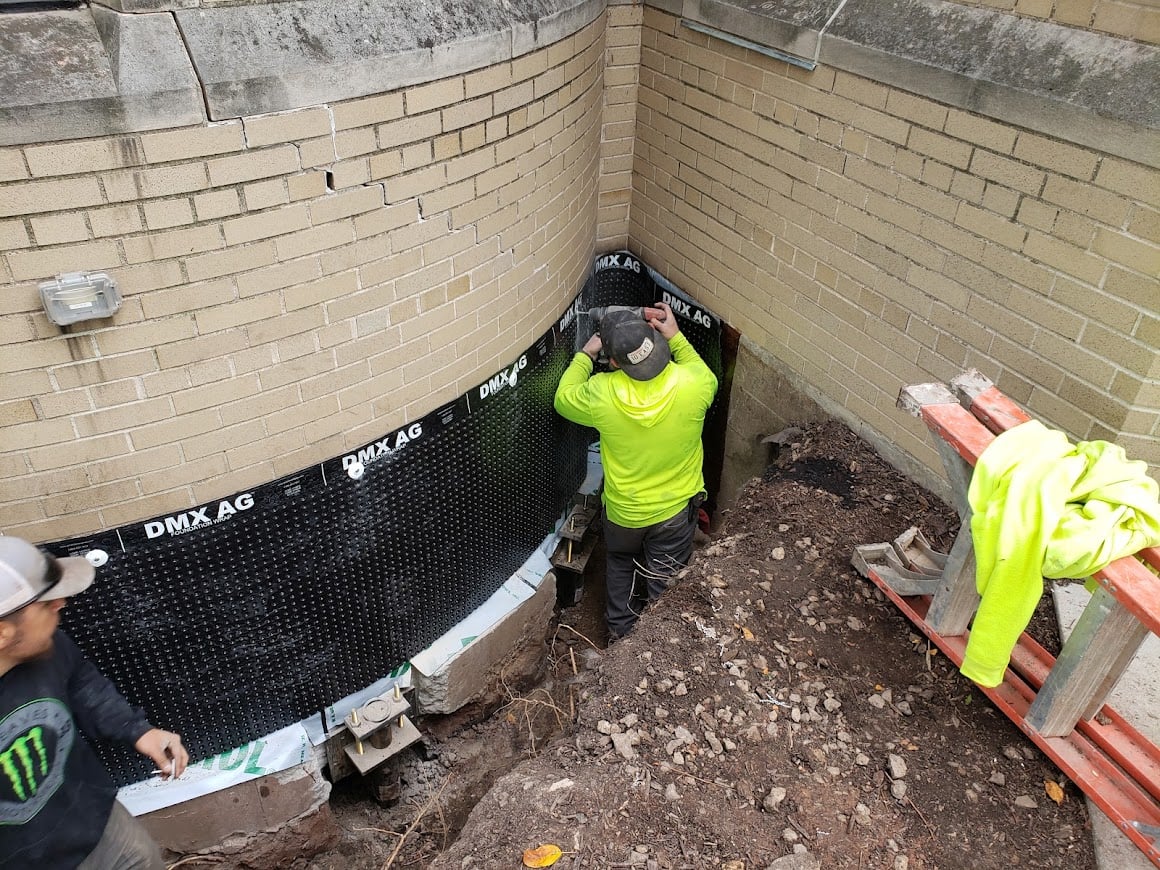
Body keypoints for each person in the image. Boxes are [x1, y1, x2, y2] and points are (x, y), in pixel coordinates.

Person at [0, 535, 189, 869]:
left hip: (94, 826)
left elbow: (81, 680)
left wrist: (137, 730)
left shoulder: (44, 644)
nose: (61, 604)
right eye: (45, 604)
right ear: (2, 633)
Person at [554, 301, 718, 638]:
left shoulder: (602, 393)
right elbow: (697, 368)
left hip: (625, 514)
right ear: (657, 343)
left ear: (613, 362)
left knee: (620, 564)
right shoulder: (695, 384)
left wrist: (586, 353)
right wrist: (676, 336)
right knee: (664, 579)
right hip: (674, 512)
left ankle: (620, 636)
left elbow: (563, 398)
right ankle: (655, 645)